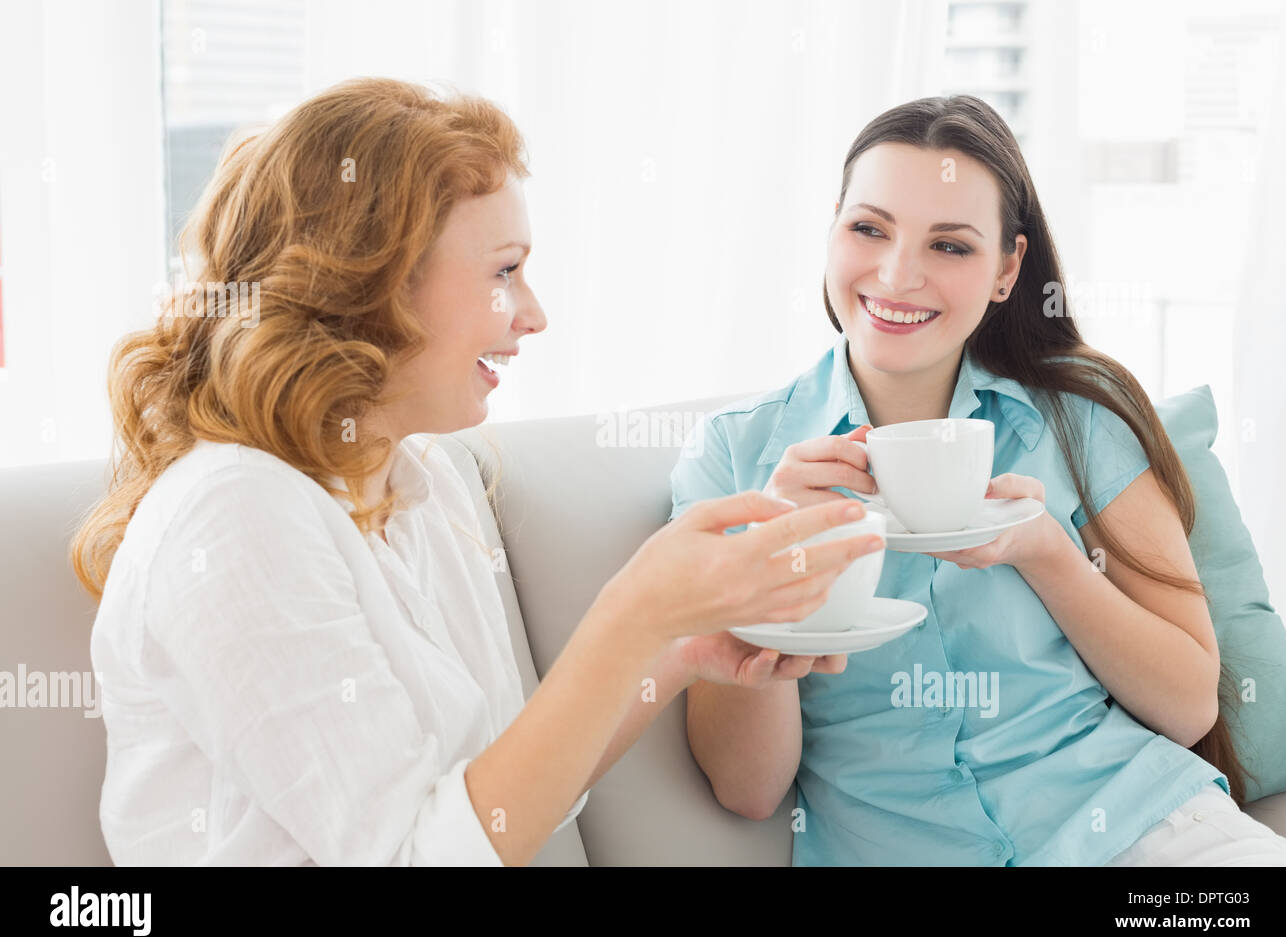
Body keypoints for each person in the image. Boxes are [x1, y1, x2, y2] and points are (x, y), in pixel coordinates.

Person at [71, 76, 884, 867]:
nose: (532, 315)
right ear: (371, 284)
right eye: (503, 272)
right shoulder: (234, 519)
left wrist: (680, 651)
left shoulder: (423, 482)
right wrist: (631, 614)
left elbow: (492, 806)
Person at [674, 94, 1286, 866]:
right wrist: (771, 569)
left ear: (1008, 269)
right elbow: (749, 788)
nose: (898, 274)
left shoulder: (1080, 416)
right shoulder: (735, 459)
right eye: (869, 228)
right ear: (832, 229)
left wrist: (1048, 554)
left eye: (951, 246)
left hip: (1144, 830)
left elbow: (1188, 701)